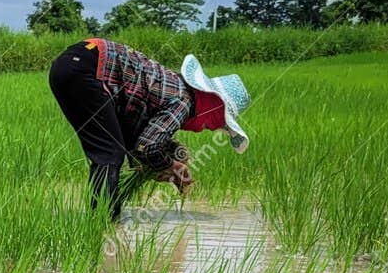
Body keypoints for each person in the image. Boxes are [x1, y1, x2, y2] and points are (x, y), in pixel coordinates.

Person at [48, 38, 252, 219]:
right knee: (109, 154)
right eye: (210, 124)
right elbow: (147, 147)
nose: (202, 130)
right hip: (88, 69)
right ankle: (103, 223)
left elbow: (134, 138)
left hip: (71, 65)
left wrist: (166, 159)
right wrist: (174, 167)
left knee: (113, 147)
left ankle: (102, 220)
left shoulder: (173, 87)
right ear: (212, 106)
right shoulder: (184, 101)